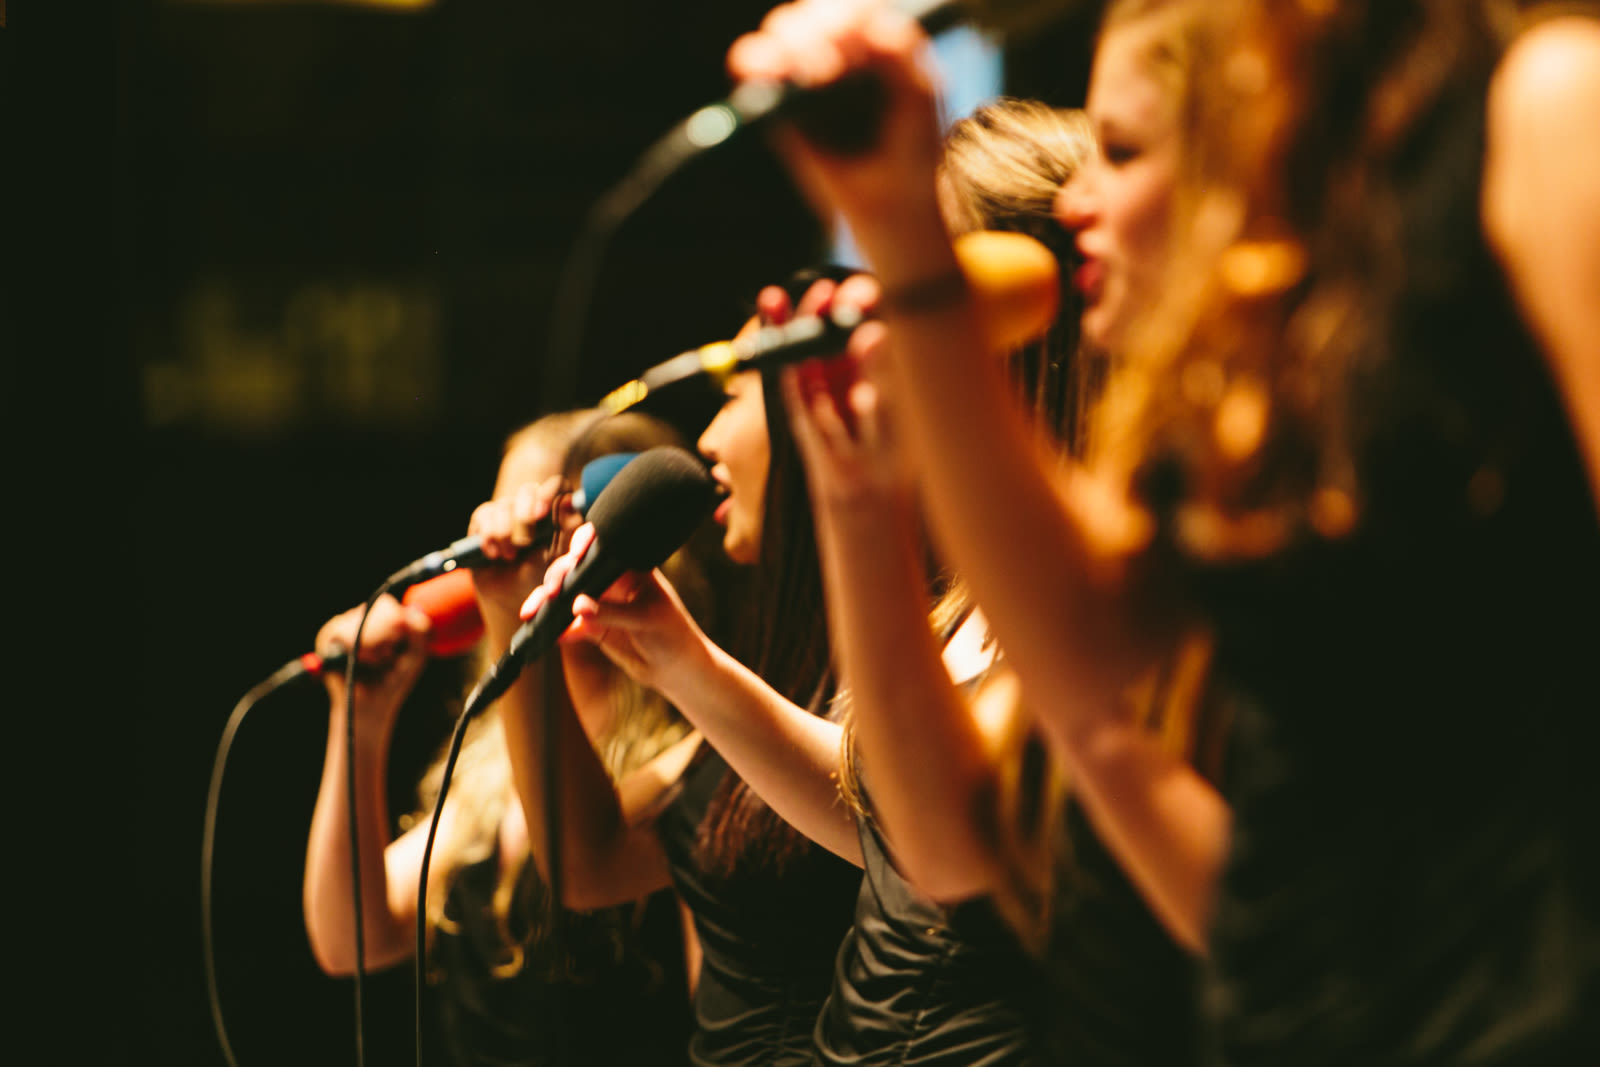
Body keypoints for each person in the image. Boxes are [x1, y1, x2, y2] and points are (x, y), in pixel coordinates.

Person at [726, 0, 1600, 1063]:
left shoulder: (1542, 110)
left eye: (1124, 150)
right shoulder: (1247, 399)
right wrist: (899, 233)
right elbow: (1050, 730)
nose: (1078, 201)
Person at [482, 299, 865, 1066]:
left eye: (731, 398)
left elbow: (895, 822)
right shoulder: (775, 672)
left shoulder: (885, 665)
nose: (709, 439)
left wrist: (687, 664)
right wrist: (507, 607)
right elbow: (587, 860)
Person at [301, 409, 709, 1066]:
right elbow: (350, 938)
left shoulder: (690, 747)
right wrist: (360, 724)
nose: (500, 547)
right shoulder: (489, 757)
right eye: (495, 521)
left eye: (533, 522)